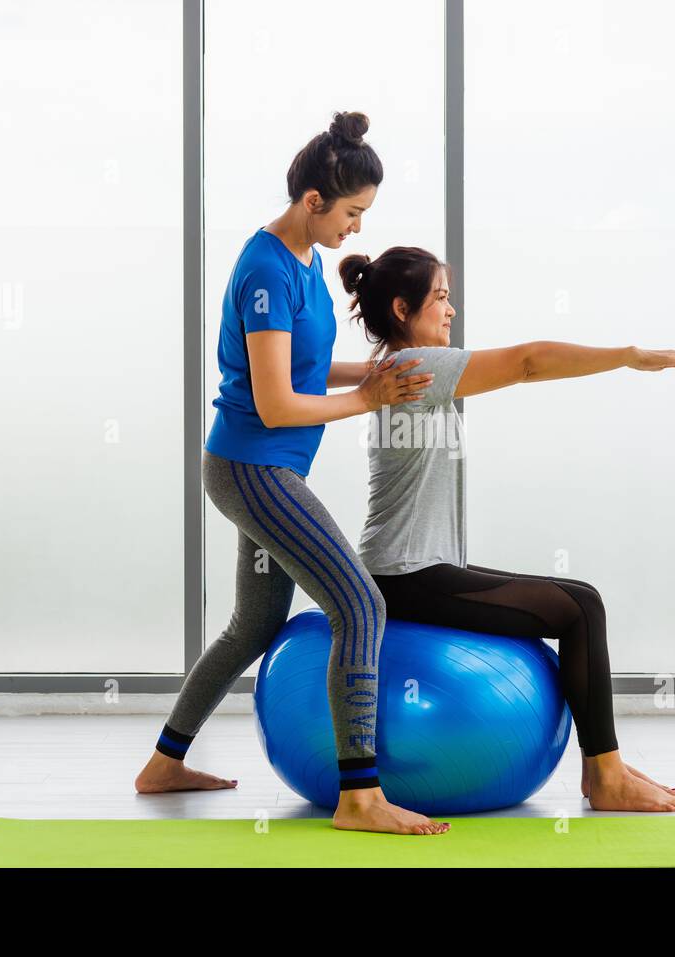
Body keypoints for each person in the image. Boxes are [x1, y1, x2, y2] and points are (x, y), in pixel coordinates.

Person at [134, 114, 449, 835]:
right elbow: (276, 403)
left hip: (260, 467)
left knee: (255, 622)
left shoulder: (303, 261)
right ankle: (360, 795)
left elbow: (300, 368)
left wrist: (366, 371)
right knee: (361, 606)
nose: (355, 230)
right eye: (350, 213)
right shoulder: (267, 270)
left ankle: (165, 762)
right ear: (312, 201)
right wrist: (367, 397)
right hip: (253, 468)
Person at [339, 245, 675, 812]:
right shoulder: (417, 369)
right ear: (401, 307)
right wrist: (628, 355)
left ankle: (603, 767)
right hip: (405, 574)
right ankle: (606, 776)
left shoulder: (393, 370)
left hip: (412, 567)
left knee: (582, 600)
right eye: (440, 297)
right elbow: (527, 361)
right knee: (580, 610)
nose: (451, 310)